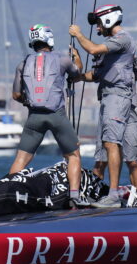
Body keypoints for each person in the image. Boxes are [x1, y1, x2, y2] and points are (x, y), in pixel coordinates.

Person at [9, 24, 85, 205]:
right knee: (73, 156)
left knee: (21, 158)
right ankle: (74, 197)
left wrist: (28, 102)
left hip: (34, 117)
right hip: (56, 116)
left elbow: (16, 95)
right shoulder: (63, 59)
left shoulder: (23, 63)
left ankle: (10, 194)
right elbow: (77, 73)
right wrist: (76, 55)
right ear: (49, 40)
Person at [69, 4, 136, 208]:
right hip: (107, 97)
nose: (97, 29)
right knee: (104, 148)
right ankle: (103, 193)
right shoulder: (112, 47)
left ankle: (114, 195)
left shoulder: (122, 38)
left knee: (111, 143)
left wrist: (78, 34)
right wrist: (78, 76)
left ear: (108, 20)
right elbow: (96, 75)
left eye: (98, 23)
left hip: (117, 97)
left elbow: (93, 48)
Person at [92, 53, 137, 190]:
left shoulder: (130, 63)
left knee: (132, 162)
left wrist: (134, 59)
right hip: (110, 111)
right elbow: (95, 76)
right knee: (101, 162)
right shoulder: (106, 59)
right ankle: (94, 193)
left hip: (129, 113)